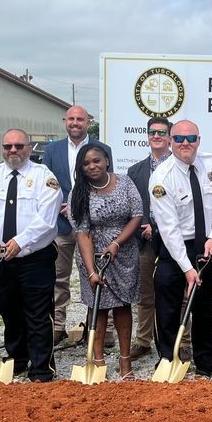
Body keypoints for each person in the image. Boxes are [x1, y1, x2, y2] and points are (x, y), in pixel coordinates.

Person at [0, 128, 62, 383]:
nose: (13, 151)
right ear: (2, 148)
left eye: (19, 146)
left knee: (38, 312)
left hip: (35, 257)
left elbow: (46, 219)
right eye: (8, 146)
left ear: (29, 148)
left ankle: (42, 368)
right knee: (8, 310)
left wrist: (20, 242)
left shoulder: (44, 177)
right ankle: (18, 359)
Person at [149, 119, 212, 381]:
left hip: (205, 244)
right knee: (168, 308)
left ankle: (207, 362)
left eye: (191, 138)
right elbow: (169, 229)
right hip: (174, 248)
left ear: (199, 140)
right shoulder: (161, 179)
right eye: (179, 139)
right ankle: (168, 358)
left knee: (204, 307)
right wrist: (187, 268)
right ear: (170, 141)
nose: (185, 143)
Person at [68, 142, 143, 380]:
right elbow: (83, 232)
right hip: (93, 256)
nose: (92, 166)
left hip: (124, 254)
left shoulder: (124, 183)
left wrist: (116, 243)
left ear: (107, 161)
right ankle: (97, 362)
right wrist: (91, 271)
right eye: (86, 163)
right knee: (97, 307)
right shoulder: (78, 193)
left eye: (96, 161)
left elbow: (136, 216)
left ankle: (125, 362)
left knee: (123, 306)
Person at [43, 105, 113, 345]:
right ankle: (58, 326)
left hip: (94, 226)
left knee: (97, 275)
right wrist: (64, 205)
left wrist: (81, 207)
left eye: (80, 119)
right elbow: (47, 184)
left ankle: (101, 329)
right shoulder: (52, 150)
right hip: (61, 225)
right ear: (65, 121)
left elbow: (107, 184)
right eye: (71, 119)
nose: (75, 123)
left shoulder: (103, 149)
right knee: (58, 278)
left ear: (88, 121)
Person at [126, 117, 177, 361]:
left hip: (173, 238)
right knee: (145, 293)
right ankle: (144, 341)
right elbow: (133, 205)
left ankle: (182, 341)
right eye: (152, 132)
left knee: (179, 293)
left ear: (169, 137)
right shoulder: (135, 171)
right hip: (144, 239)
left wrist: (157, 226)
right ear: (147, 136)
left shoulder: (180, 166)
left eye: (161, 132)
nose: (156, 136)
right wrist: (145, 225)